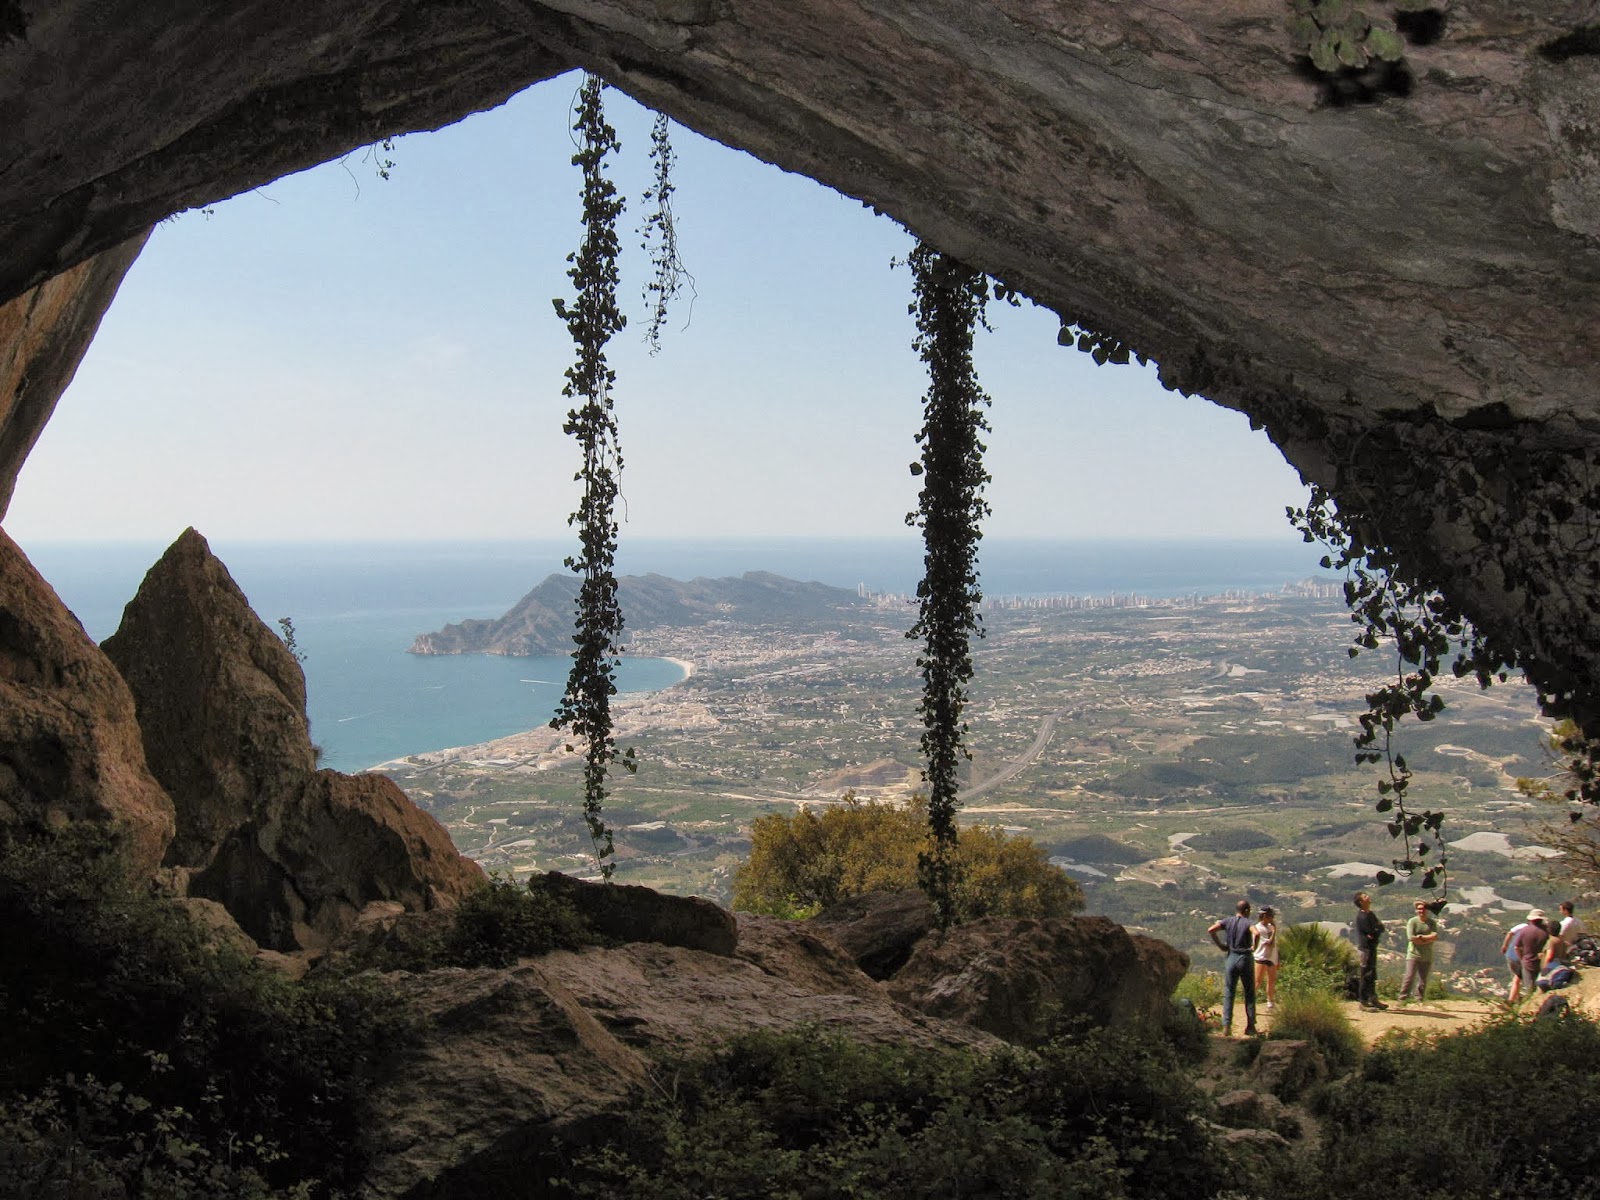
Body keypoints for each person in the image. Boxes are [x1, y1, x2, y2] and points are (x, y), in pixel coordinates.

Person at [1207, 899, 1258, 1037]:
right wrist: (1254, 946)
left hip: (1231, 957)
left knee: (1229, 991)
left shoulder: (1228, 921)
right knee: (1249, 992)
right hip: (1245, 957)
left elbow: (1211, 930)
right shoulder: (1248, 922)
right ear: (1246, 910)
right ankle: (1251, 1025)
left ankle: (1226, 1026)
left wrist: (1221, 945)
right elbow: (1257, 933)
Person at [1504, 909, 1550, 1005]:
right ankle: (1517, 1002)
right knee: (1534, 984)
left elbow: (1517, 946)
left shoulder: (1524, 930)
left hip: (1524, 959)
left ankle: (1517, 1003)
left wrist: (1521, 958)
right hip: (1539, 961)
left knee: (1523, 982)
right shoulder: (1546, 932)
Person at [1398, 900, 1439, 1004]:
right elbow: (1411, 937)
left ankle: (1419, 999)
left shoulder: (1431, 922)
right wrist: (1427, 939)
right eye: (1419, 909)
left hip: (1427, 955)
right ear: (1416, 910)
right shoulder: (1412, 921)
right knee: (1409, 977)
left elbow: (1434, 936)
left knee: (1422, 979)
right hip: (1413, 954)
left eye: (1423, 909)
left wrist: (1420, 937)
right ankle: (1402, 998)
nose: (1421, 911)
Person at [1353, 892, 1387, 1010]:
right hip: (1365, 948)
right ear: (1361, 902)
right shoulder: (1361, 917)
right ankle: (1363, 1001)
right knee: (1365, 974)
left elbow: (1380, 928)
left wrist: (1376, 930)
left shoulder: (1370, 914)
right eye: (1365, 896)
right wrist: (1375, 930)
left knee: (1372, 973)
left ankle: (1373, 998)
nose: (1368, 897)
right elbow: (1372, 931)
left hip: (1372, 947)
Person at [1251, 905, 1280, 1010]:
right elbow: (1269, 943)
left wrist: (1277, 959)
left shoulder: (1269, 927)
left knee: (1271, 980)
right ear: (1264, 916)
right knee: (1257, 981)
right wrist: (1273, 932)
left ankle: (1270, 1001)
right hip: (1261, 957)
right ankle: (1250, 1001)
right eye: (1270, 916)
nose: (1272, 918)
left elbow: (1275, 945)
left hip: (1271, 957)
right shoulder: (1258, 928)